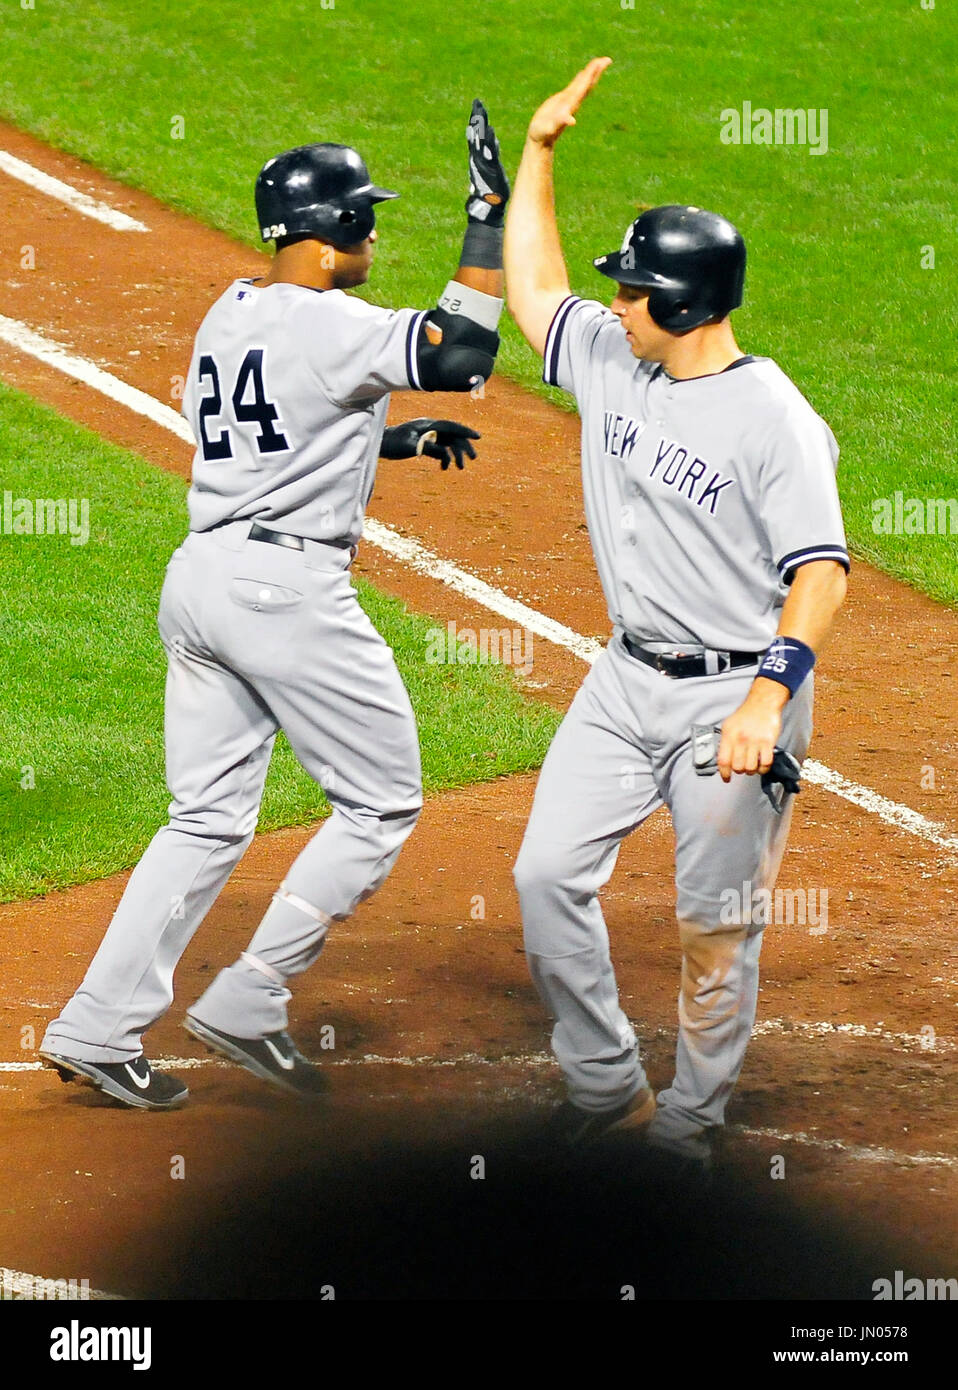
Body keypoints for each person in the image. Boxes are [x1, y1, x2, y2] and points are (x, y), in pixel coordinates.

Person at [40, 102, 511, 1110]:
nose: (376, 234)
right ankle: (251, 994)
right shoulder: (336, 321)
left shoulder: (232, 308)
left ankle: (96, 1027)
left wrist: (396, 438)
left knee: (204, 819)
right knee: (380, 800)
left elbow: (275, 424)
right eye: (366, 217)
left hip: (202, 579)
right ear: (333, 225)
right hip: (282, 592)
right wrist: (486, 218)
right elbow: (461, 352)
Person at [505, 59, 849, 1174]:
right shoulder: (615, 361)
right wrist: (538, 155)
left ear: (686, 305)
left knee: (713, 927)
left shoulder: (773, 420)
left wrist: (766, 696)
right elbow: (533, 295)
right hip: (623, 681)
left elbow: (823, 571)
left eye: (633, 288)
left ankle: (690, 1127)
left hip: (730, 697)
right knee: (544, 874)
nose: (612, 303)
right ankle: (606, 1083)